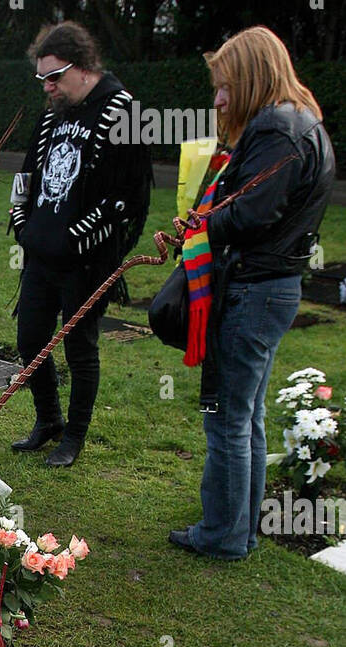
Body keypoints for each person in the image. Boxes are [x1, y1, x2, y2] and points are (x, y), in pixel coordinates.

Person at [168, 27, 334, 561]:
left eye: (224, 86)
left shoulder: (276, 128)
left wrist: (200, 222)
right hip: (275, 287)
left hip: (254, 290)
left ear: (252, 78)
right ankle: (240, 529)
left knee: (227, 419)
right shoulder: (300, 120)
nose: (217, 99)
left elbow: (254, 212)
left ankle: (221, 536)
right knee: (248, 415)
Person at [10, 22, 152, 468]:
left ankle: (73, 436)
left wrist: (75, 237)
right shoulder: (56, 109)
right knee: (30, 338)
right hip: (40, 253)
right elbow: (28, 171)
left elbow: (130, 198)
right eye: (42, 79)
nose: (48, 87)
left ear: (85, 66)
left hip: (87, 260)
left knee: (80, 348)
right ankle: (48, 420)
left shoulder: (123, 109)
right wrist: (21, 218)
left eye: (55, 76)